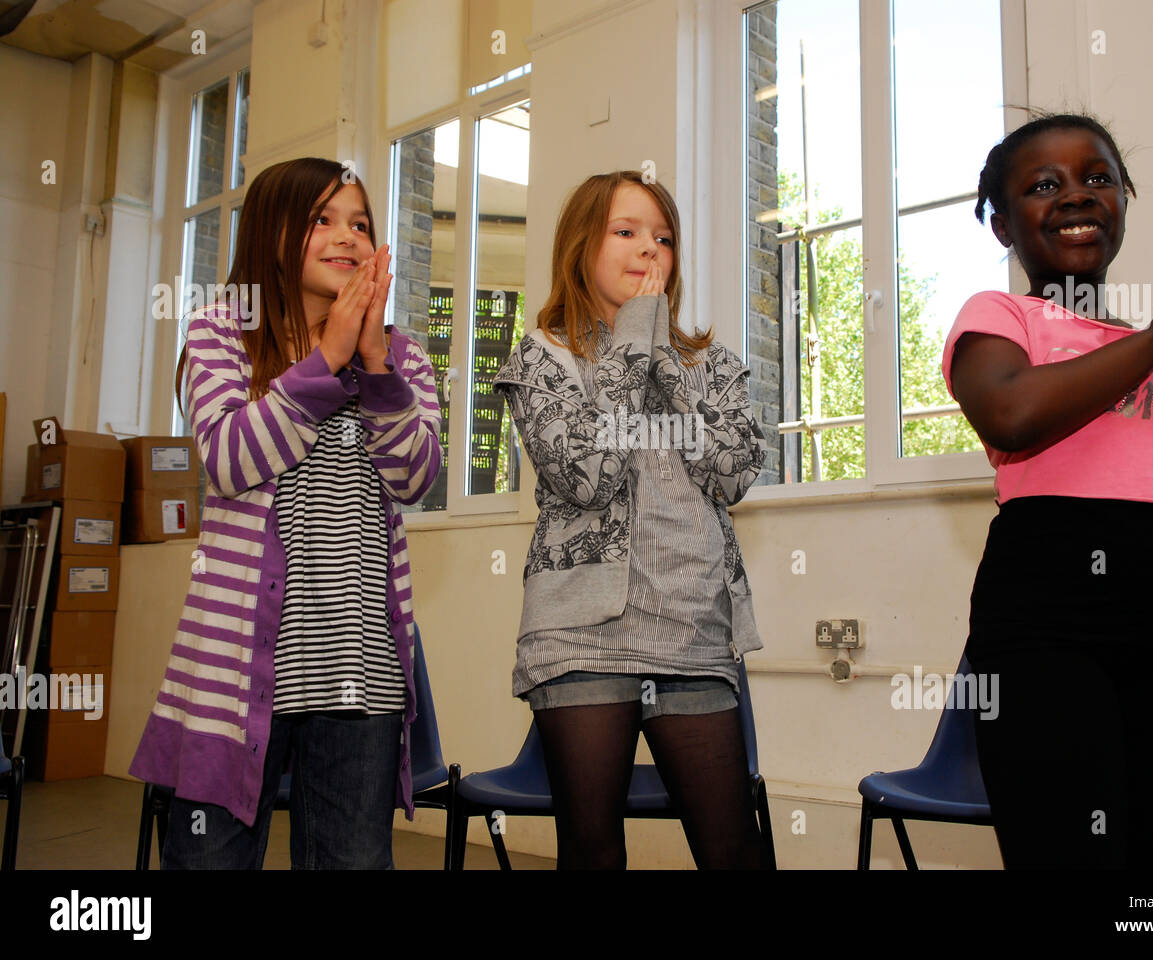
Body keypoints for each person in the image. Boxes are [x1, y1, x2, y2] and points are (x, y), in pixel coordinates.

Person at [942, 113, 1153, 868]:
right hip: (1046, 623)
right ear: (1002, 228)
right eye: (1043, 186)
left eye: (1098, 178)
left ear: (1124, 199)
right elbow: (1012, 411)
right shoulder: (1003, 316)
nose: (1075, 196)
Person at [129, 157, 443, 869]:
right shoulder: (220, 336)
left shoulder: (401, 359)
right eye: (323, 220)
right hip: (231, 675)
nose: (349, 237)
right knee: (210, 859)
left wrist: (373, 368)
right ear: (272, 235)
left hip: (359, 676)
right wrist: (327, 357)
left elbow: (416, 478)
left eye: (360, 223)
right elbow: (232, 459)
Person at [491, 171, 769, 869]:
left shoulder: (715, 366)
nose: (651, 249)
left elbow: (734, 473)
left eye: (664, 238)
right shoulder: (541, 358)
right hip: (582, 634)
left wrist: (666, 363)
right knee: (592, 848)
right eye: (627, 231)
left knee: (734, 848)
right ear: (582, 245)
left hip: (694, 631)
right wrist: (632, 344)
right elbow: (587, 476)